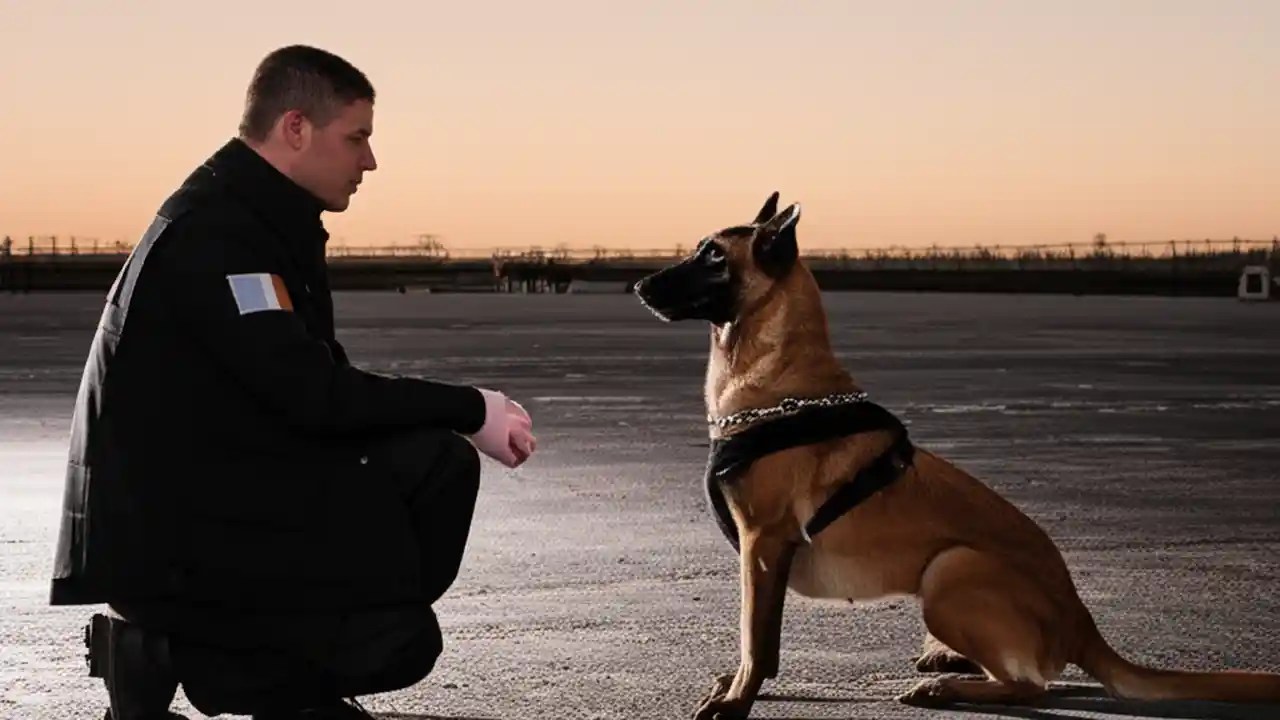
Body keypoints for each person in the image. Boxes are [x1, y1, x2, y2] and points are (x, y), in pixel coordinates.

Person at [50, 45, 537, 720]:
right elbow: (312, 396)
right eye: (357, 138)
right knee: (397, 637)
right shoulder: (222, 235)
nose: (370, 161)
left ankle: (273, 663)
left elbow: (309, 385)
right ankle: (180, 656)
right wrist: (469, 406)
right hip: (170, 544)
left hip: (214, 495)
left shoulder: (258, 217)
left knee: (432, 467)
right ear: (296, 129)